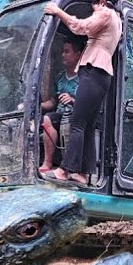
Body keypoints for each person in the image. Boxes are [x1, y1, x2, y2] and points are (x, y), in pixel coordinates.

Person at [42, 0, 123, 185]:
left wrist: (58, 11)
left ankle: (64, 170)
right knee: (87, 125)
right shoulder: (117, 20)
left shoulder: (104, 13)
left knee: (77, 123)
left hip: (93, 70)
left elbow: (80, 27)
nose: (92, 11)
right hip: (102, 75)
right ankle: (83, 173)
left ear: (101, 2)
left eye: (93, 7)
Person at [39, 36, 84, 176]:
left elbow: (89, 104)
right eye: (62, 52)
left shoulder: (84, 78)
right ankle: (47, 163)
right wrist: (36, 105)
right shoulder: (59, 77)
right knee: (47, 119)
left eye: (67, 51)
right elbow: (53, 102)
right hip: (60, 115)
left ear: (78, 55)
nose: (63, 55)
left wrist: (72, 100)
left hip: (76, 115)